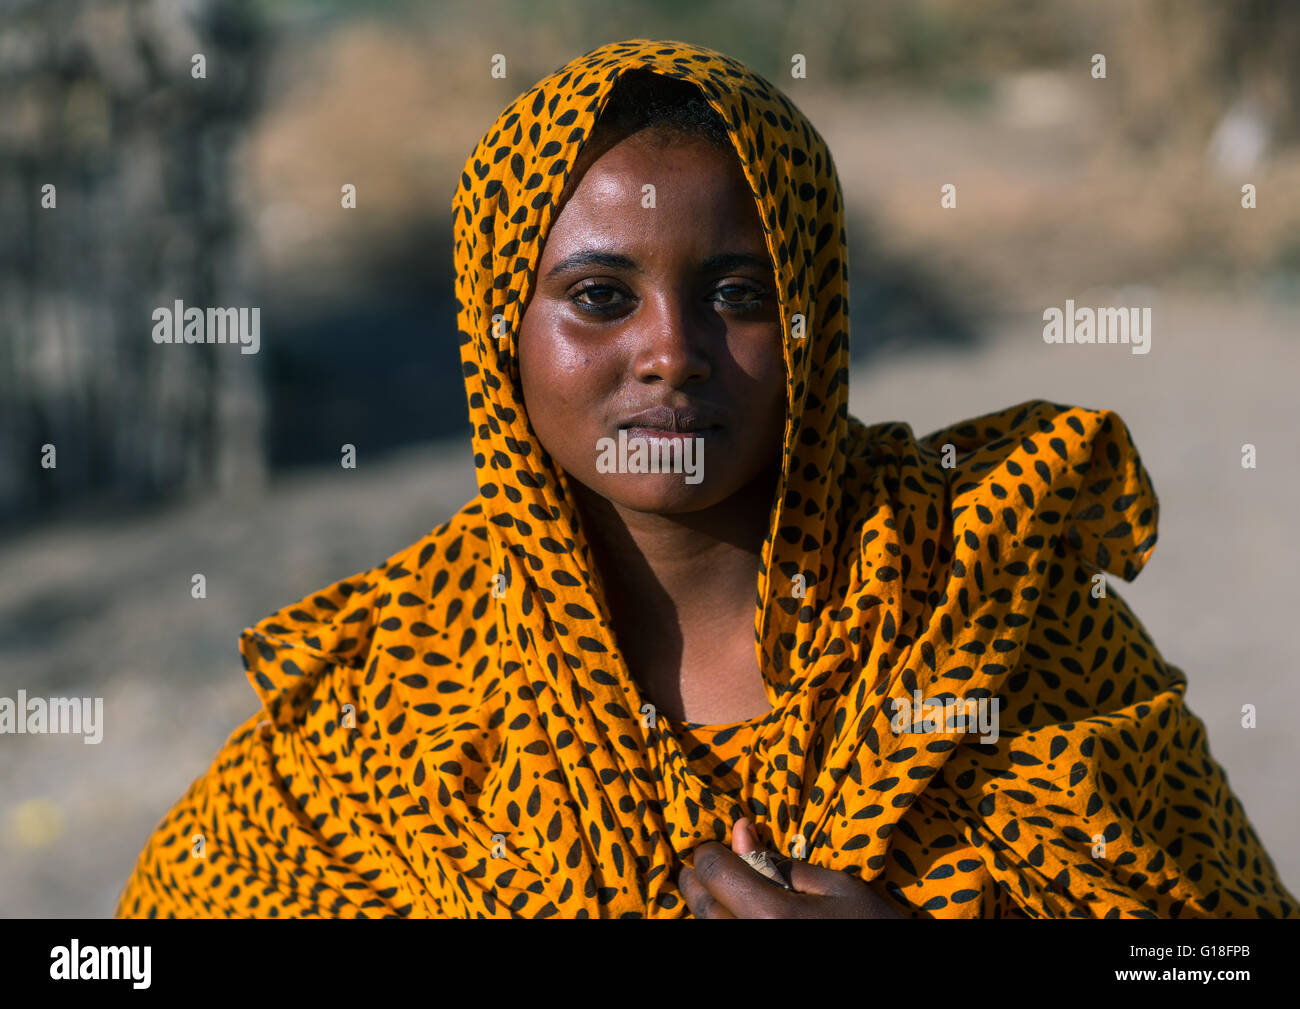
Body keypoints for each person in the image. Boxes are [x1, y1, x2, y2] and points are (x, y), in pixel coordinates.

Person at [115, 38, 1296, 919]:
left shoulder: (995, 609)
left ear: (815, 326)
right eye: (598, 296)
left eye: (739, 294)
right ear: (497, 335)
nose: (671, 350)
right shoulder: (387, 708)